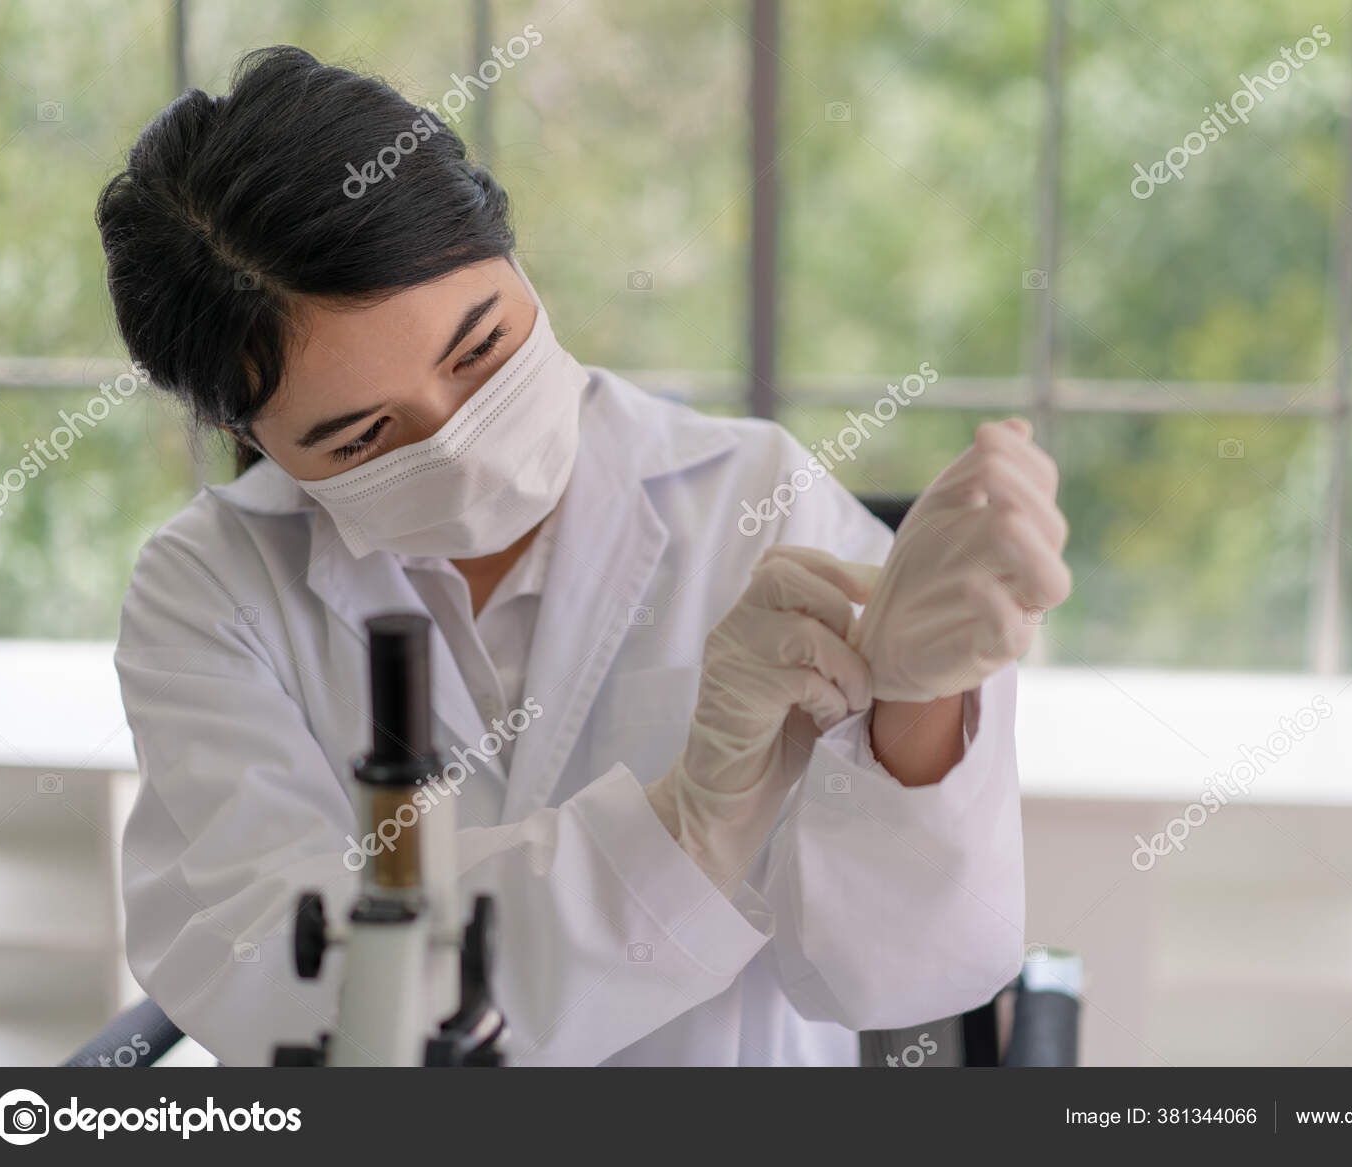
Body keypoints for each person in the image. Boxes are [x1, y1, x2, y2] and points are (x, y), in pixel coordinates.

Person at [96, 46, 1071, 1066]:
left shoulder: (756, 496)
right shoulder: (209, 589)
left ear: (513, 257)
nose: (456, 442)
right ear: (250, 438)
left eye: (478, 349)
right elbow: (275, 993)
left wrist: (917, 710)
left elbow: (903, 979)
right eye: (361, 439)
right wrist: (687, 824)